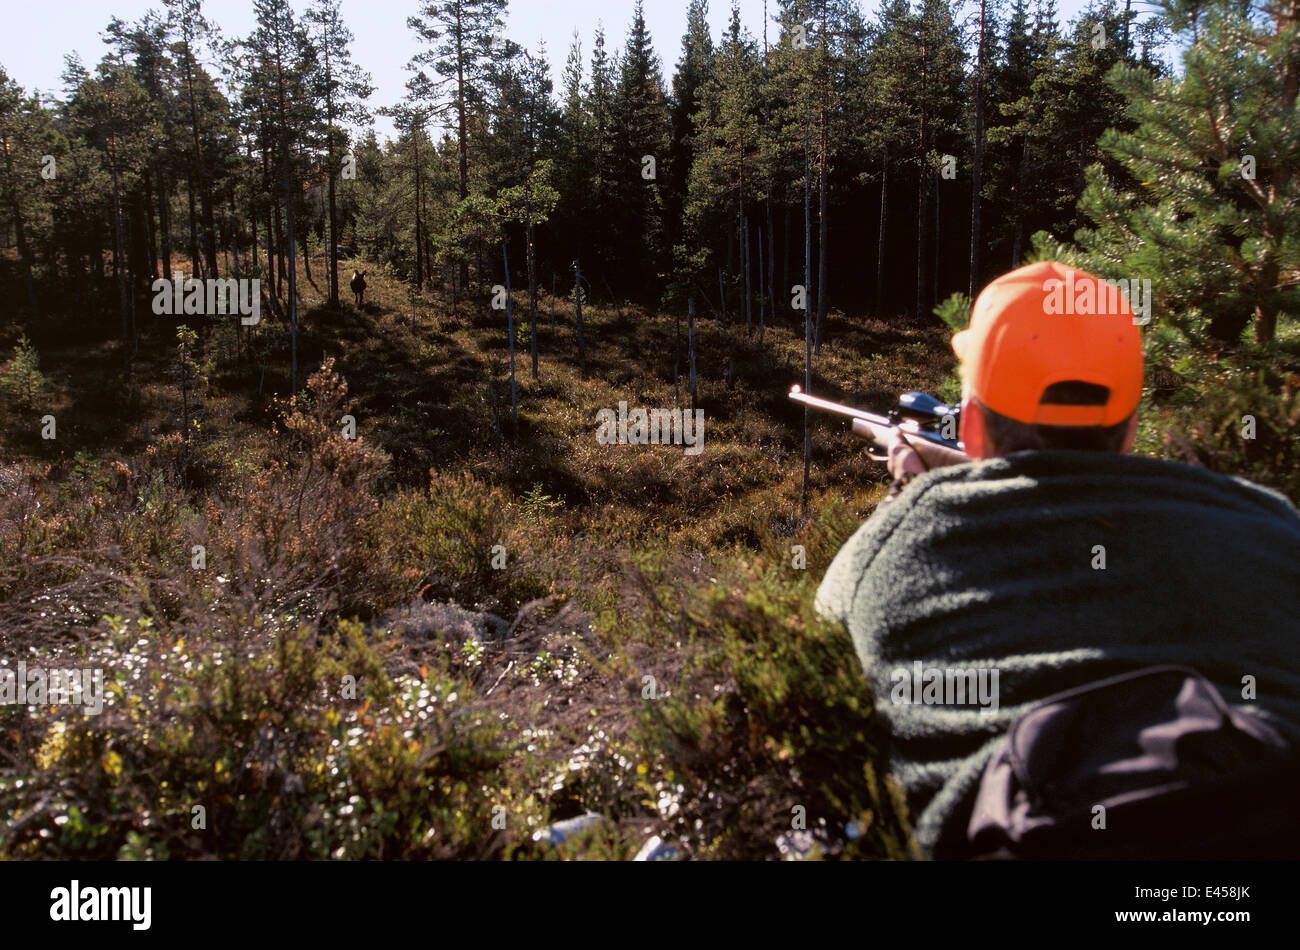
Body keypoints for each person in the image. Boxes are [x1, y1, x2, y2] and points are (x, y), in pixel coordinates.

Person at [815, 261, 1300, 858]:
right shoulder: (1272, 524)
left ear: (969, 427)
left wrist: (907, 493)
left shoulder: (892, 546)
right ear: (1130, 430)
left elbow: (822, 647)